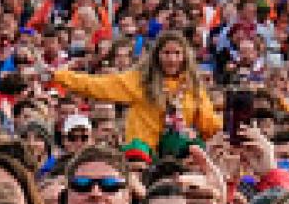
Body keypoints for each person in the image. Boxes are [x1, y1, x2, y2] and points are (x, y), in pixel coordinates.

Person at [53, 30, 221, 155]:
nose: (172, 59)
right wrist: (61, 76)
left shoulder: (193, 87)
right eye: (167, 53)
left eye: (177, 53)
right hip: (143, 154)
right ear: (157, 56)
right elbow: (99, 85)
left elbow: (209, 124)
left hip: (179, 154)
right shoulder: (140, 81)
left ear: (185, 57)